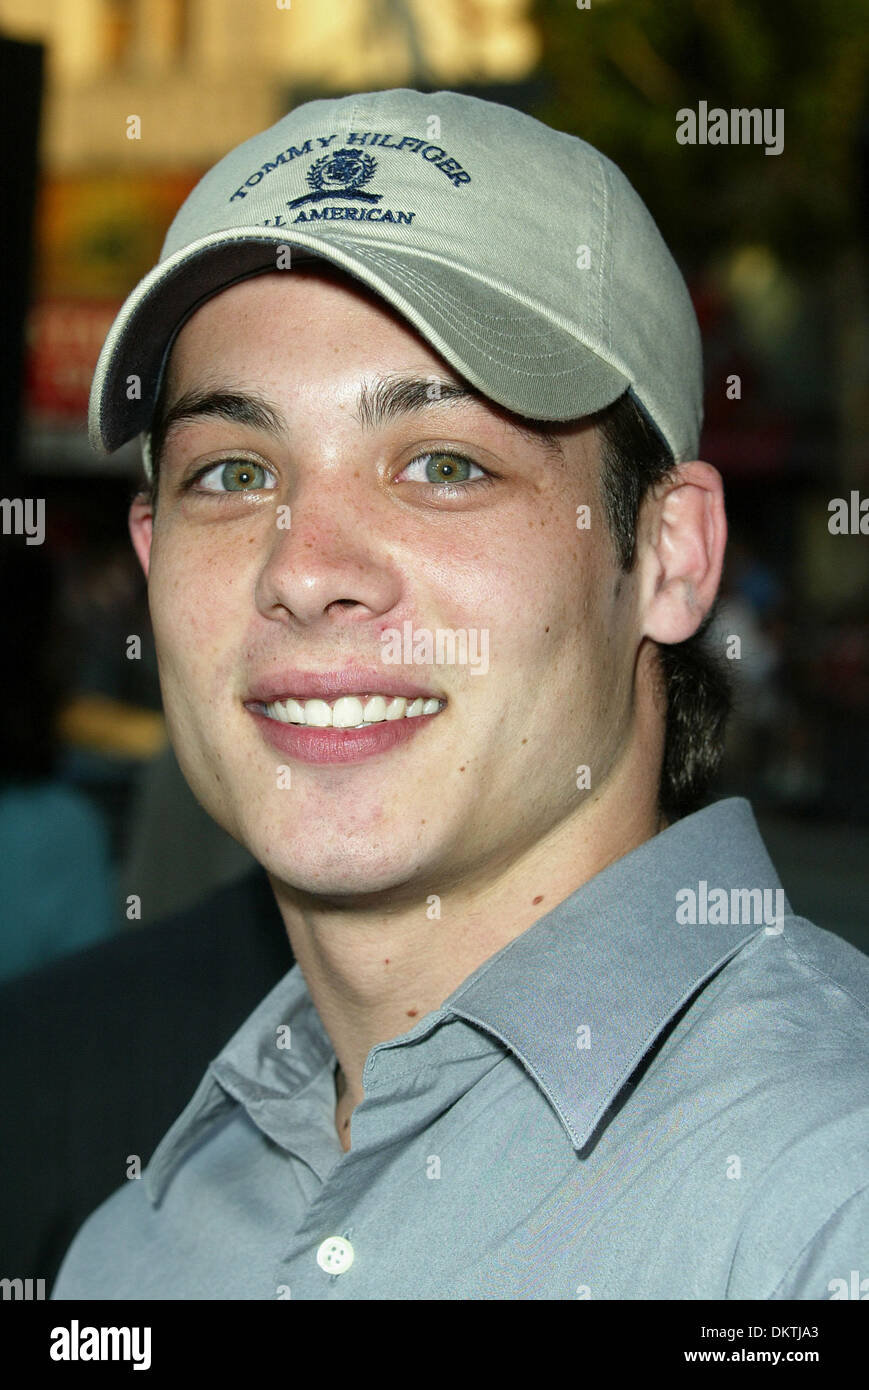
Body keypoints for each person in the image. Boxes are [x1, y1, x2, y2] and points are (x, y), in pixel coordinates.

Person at [52, 89, 868, 1300]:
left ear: (669, 554)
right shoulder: (131, 1254)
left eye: (442, 465)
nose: (305, 567)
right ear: (152, 554)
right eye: (232, 470)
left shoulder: (821, 1207)